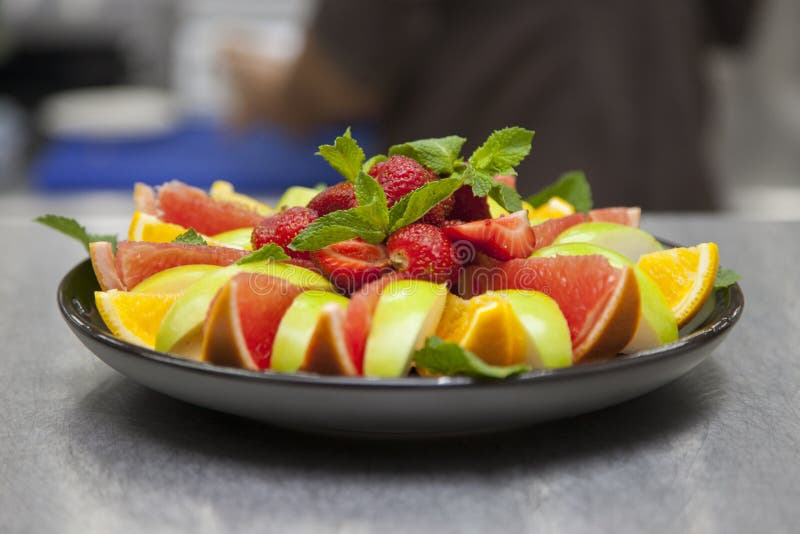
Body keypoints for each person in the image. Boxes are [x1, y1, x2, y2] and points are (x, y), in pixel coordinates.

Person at [225, 0, 758, 210]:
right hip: (683, 210)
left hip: (497, 229)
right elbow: (731, 23)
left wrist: (270, 91)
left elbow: (341, 80)